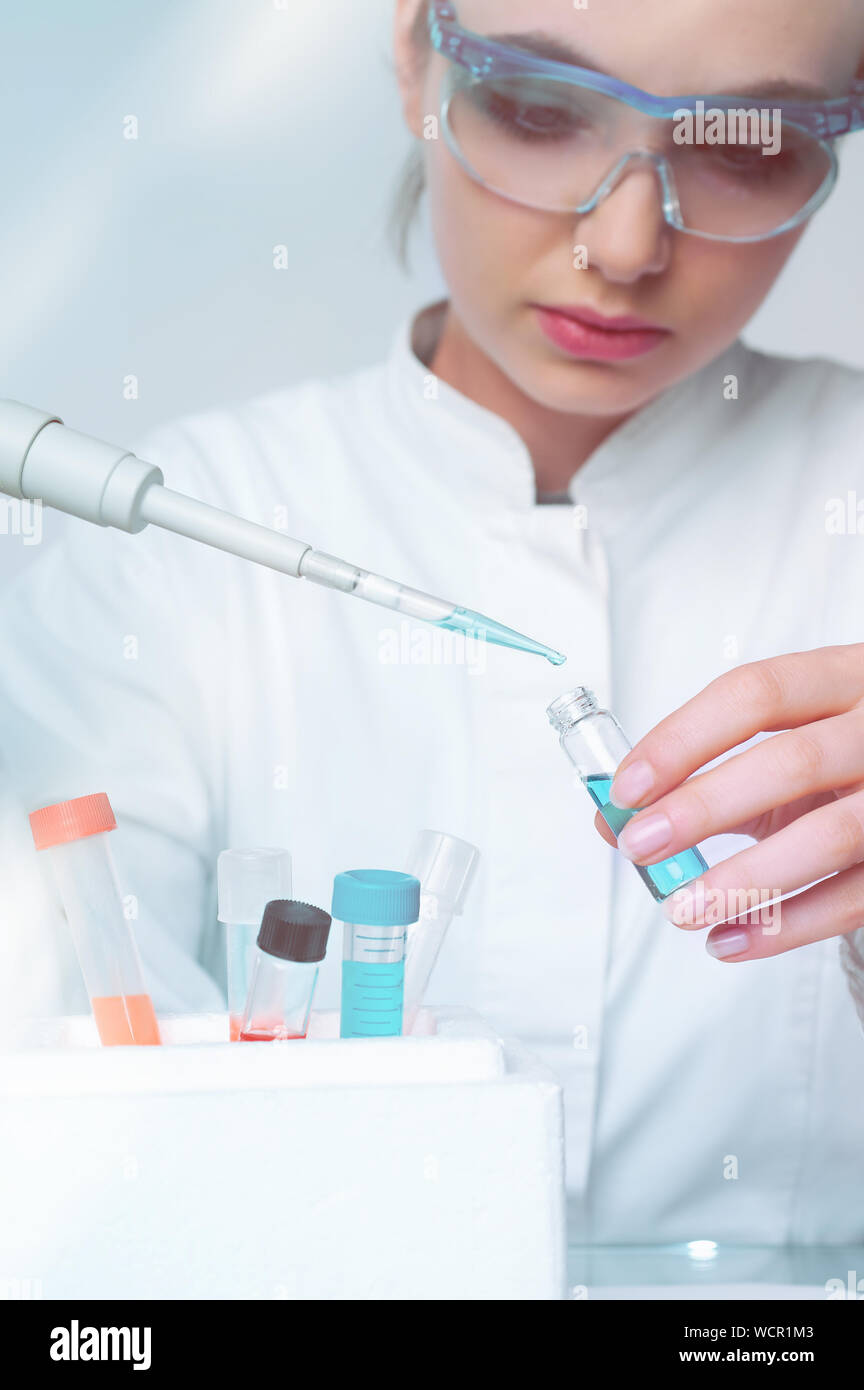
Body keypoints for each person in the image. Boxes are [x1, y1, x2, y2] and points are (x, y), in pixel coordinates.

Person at [1, 0, 863, 1243]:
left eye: (748, 144)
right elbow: (76, 1134)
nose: (623, 247)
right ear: (415, 56)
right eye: (540, 112)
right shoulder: (173, 552)